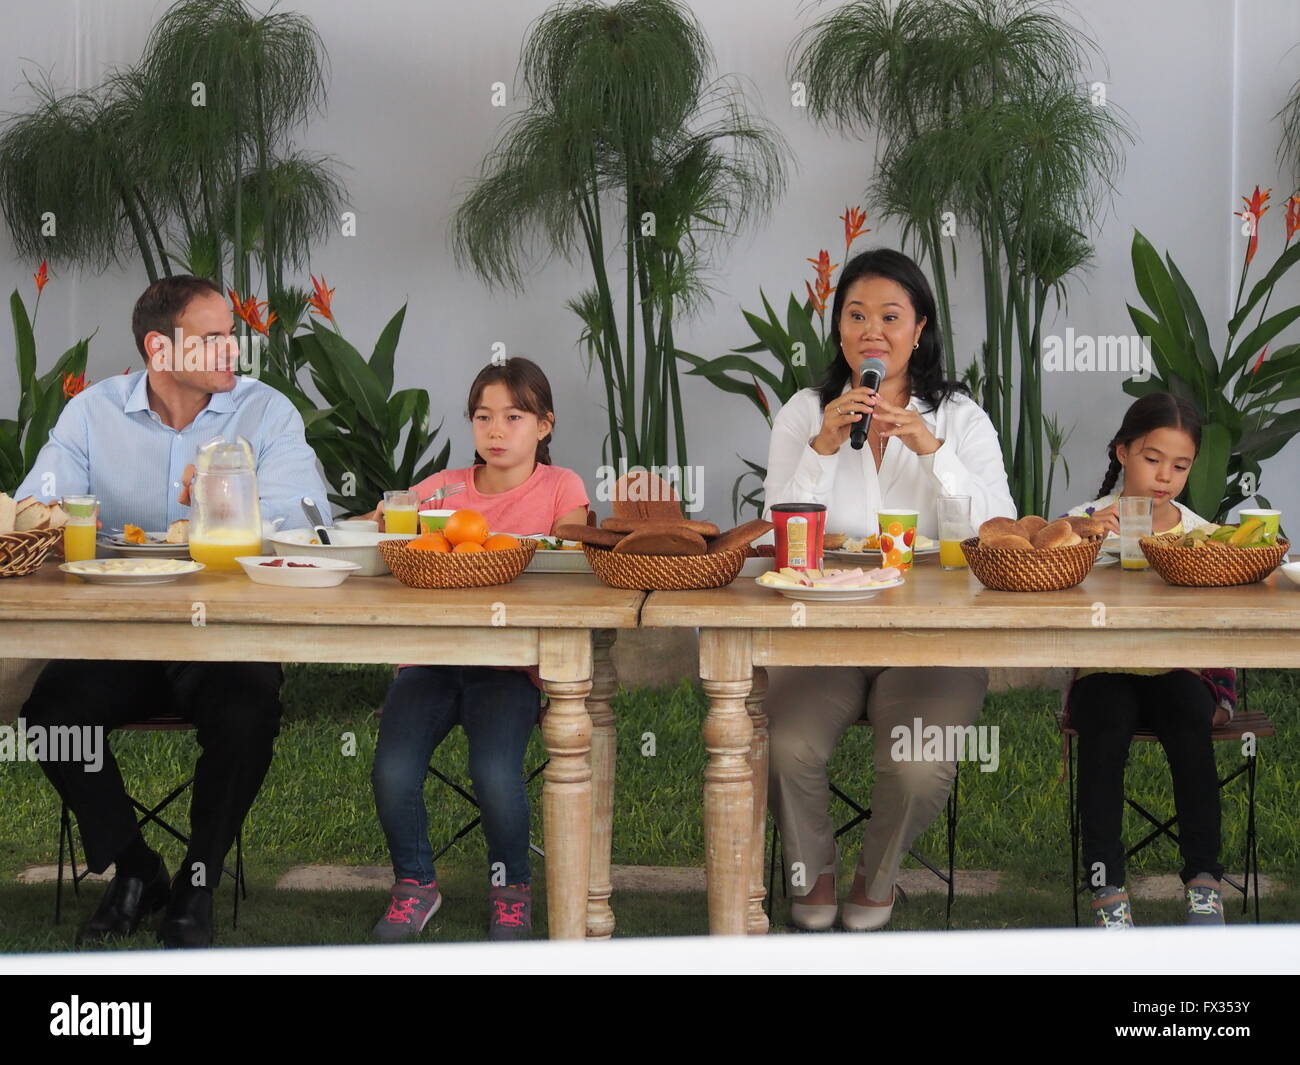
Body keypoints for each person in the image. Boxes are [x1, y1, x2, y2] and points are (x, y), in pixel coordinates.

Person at [18, 274, 333, 948]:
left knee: (248, 710)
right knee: (51, 715)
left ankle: (197, 880)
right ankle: (136, 868)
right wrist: (56, 517)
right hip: (119, 634)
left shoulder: (266, 412)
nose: (233, 351)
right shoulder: (92, 414)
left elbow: (311, 518)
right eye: (213, 338)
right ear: (159, 349)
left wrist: (227, 498)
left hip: (222, 637)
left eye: (232, 336)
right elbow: (38, 508)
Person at [761, 248, 1014, 931]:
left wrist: (933, 451)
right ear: (839, 330)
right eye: (856, 315)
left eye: (891, 316)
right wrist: (821, 449)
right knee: (783, 744)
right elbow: (778, 534)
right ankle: (810, 875)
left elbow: (999, 531)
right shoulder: (804, 412)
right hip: (823, 636)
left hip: (932, 638)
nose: (872, 330)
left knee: (917, 764)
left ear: (920, 328)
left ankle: (876, 880)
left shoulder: (959, 418)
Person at [366, 357, 587, 942]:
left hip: (510, 666)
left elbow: (571, 560)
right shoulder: (441, 488)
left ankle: (512, 889)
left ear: (544, 425)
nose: (495, 430)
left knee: (494, 774)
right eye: (483, 417)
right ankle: (415, 884)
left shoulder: (561, 487)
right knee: (392, 771)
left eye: (514, 417)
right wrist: (381, 521)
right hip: (430, 659)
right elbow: (376, 528)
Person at [1063, 391, 1233, 927]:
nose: (1164, 476)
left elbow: (1224, 619)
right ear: (1123, 453)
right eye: (1152, 458)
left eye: (1180, 466)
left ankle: (1204, 882)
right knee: (1105, 724)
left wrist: (1223, 694)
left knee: (1188, 718)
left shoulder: (1200, 536)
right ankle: (1106, 887)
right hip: (1102, 671)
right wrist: (1083, 536)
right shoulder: (1080, 523)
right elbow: (1043, 579)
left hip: (1176, 669)